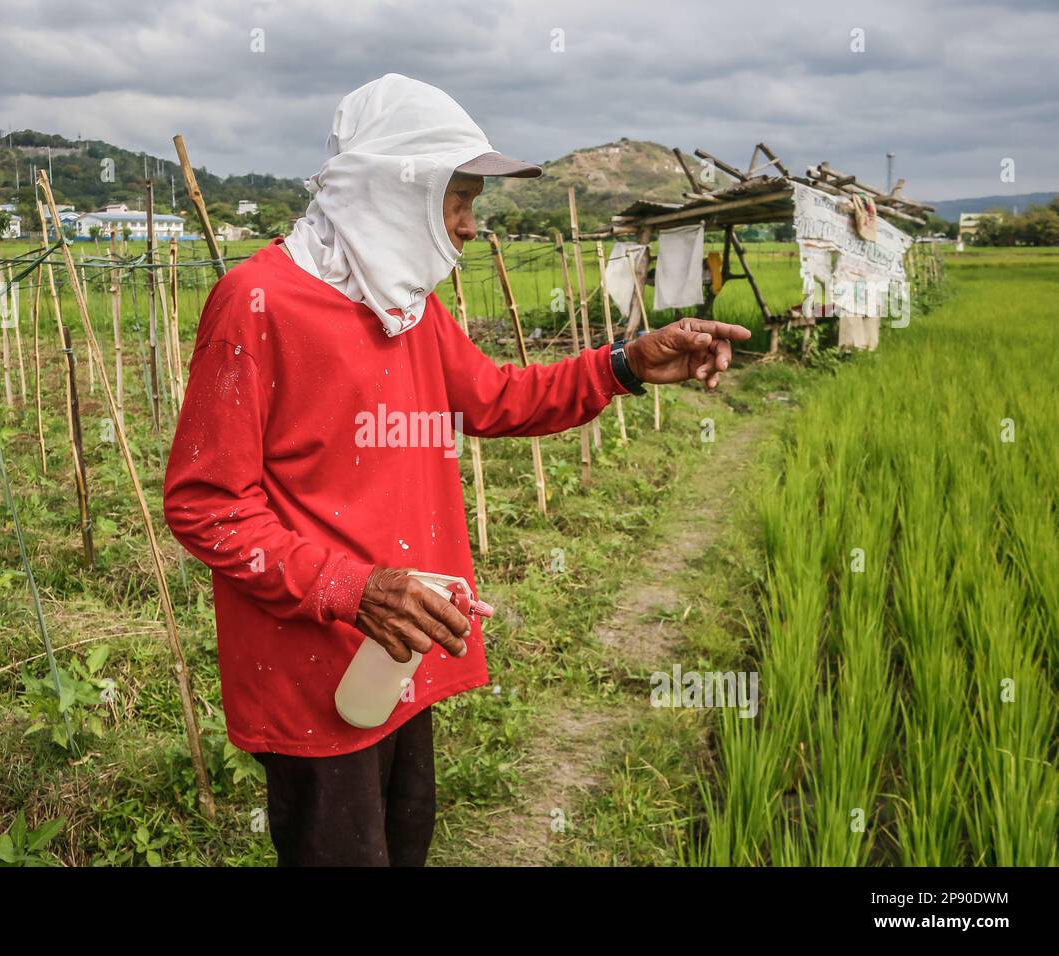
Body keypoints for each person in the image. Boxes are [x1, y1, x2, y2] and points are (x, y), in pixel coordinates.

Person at [163, 73, 749, 866]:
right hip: (313, 666)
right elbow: (207, 505)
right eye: (460, 201)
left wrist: (625, 364)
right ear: (393, 190)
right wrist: (356, 589)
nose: (472, 227)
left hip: (395, 648)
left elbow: (498, 399)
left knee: (406, 840)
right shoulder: (257, 303)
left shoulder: (405, 306)